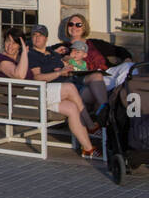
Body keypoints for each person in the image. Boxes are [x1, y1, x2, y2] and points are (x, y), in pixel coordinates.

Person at [26, 25, 99, 158]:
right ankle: (90, 124)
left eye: (40, 35)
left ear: (46, 38)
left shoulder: (52, 53)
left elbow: (62, 66)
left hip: (54, 91)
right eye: (34, 35)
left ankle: (88, 149)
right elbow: (37, 77)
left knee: (72, 108)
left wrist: (67, 69)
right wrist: (59, 72)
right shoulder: (31, 54)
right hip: (40, 91)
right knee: (70, 88)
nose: (37, 38)